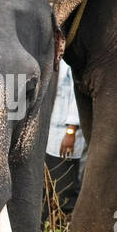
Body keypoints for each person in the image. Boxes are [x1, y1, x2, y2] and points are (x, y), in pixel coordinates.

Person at [44, 58, 85, 222]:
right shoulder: (52, 59)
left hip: (65, 135)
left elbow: (76, 97)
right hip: (50, 134)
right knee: (48, 186)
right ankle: (49, 229)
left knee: (64, 187)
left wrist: (71, 130)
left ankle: (61, 230)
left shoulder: (70, 62)